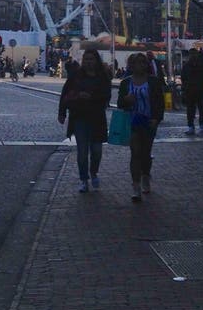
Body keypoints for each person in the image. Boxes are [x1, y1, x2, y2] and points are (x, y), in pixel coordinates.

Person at [57, 49, 111, 192]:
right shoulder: (76, 76)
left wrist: (91, 97)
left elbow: (107, 95)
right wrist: (62, 112)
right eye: (86, 59)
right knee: (82, 151)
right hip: (80, 117)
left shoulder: (102, 77)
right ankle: (84, 179)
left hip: (97, 118)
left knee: (97, 150)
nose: (88, 62)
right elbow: (65, 93)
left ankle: (93, 172)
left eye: (91, 59)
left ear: (96, 60)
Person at [117, 52, 165, 200]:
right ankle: (136, 185)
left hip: (148, 121)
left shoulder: (153, 82)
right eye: (137, 63)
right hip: (132, 122)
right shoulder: (126, 83)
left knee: (146, 153)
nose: (141, 65)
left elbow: (159, 102)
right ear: (132, 65)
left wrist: (156, 119)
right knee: (135, 153)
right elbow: (120, 103)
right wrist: (126, 99)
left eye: (143, 63)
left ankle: (145, 175)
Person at [181, 48, 203, 135]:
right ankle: (191, 127)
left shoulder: (202, 65)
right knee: (190, 110)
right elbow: (183, 78)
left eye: (194, 54)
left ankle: (201, 127)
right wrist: (186, 87)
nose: (193, 56)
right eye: (192, 54)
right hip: (190, 90)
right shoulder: (187, 66)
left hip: (200, 90)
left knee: (200, 109)